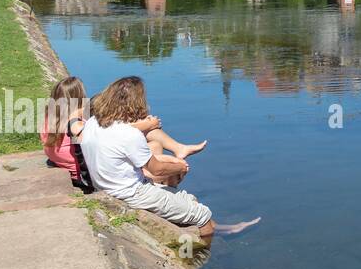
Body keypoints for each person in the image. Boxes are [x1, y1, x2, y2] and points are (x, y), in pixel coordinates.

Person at [79, 76, 257, 238]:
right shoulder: (128, 135)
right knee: (202, 213)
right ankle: (208, 251)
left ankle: (226, 228)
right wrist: (180, 167)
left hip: (106, 186)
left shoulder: (92, 123)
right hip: (131, 193)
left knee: (188, 199)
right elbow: (156, 169)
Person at [41, 76, 205, 188]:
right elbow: (105, 135)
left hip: (78, 164)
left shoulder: (50, 117)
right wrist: (145, 125)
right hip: (89, 172)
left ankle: (175, 153)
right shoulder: (75, 121)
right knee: (166, 158)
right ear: (78, 97)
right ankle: (165, 186)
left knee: (152, 143)